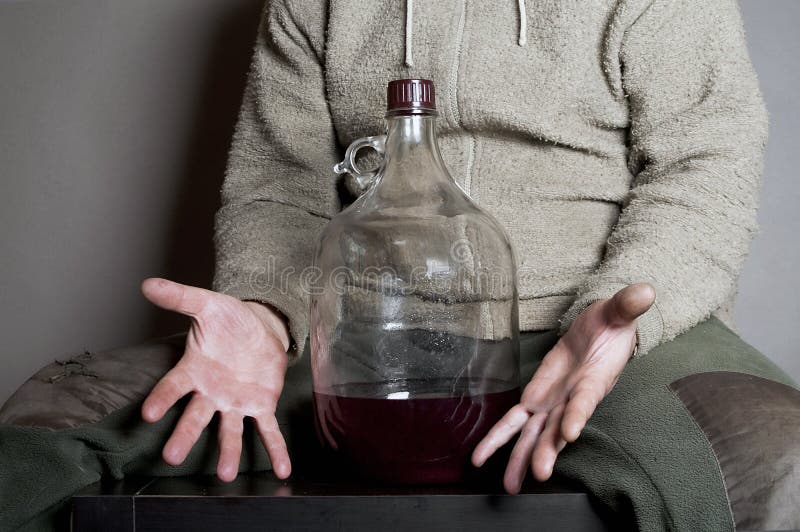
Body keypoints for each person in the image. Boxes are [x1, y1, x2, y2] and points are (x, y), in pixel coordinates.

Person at [136, 0, 797, 529]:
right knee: (68, 428)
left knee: (774, 461)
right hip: (362, 336)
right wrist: (264, 311)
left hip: (600, 332)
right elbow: (278, 181)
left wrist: (619, 315)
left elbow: (706, 164)